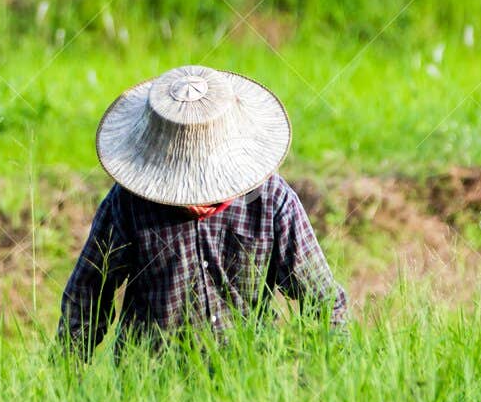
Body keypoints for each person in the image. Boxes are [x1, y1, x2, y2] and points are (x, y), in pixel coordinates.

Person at [62, 65, 349, 355]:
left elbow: (325, 303)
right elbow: (86, 295)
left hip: (250, 379)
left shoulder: (271, 201)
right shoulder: (128, 203)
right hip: (150, 377)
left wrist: (326, 376)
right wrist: (67, 378)